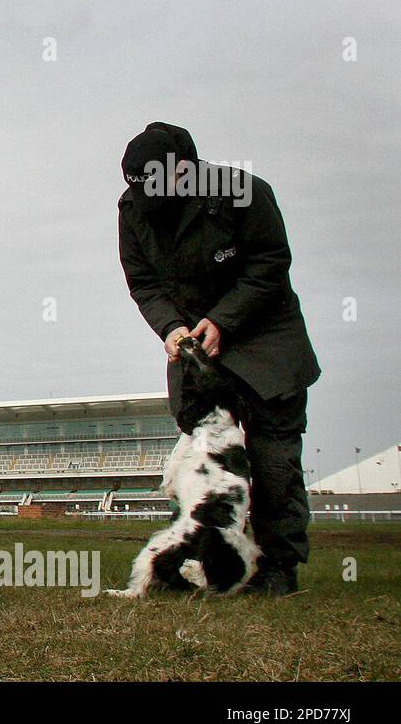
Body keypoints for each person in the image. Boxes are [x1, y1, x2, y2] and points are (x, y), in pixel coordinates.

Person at [117, 122, 320, 596]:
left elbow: (270, 264)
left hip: (266, 341)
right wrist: (171, 328)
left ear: (185, 169)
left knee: (272, 463)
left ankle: (277, 569)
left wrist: (223, 321)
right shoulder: (132, 210)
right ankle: (186, 563)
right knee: (201, 465)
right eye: (139, 183)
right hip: (197, 351)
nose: (148, 193)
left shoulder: (245, 194)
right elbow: (142, 282)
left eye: (158, 180)